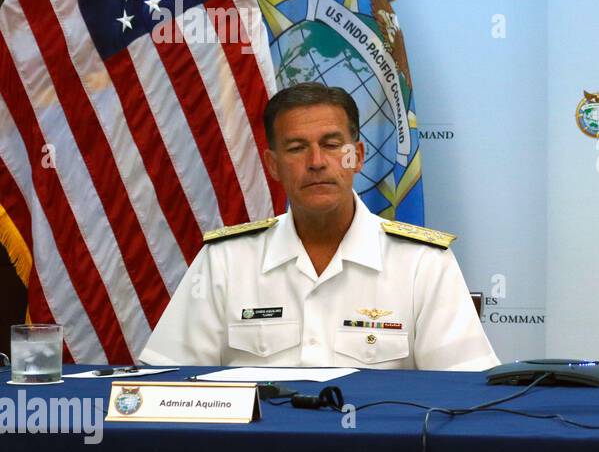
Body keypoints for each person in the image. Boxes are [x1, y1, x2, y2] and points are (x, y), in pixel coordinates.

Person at [139, 83, 500, 371]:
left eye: (331, 145)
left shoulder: (422, 263)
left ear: (356, 156)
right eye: (296, 148)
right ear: (273, 165)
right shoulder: (226, 261)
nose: (316, 163)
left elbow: (461, 392)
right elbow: (168, 384)